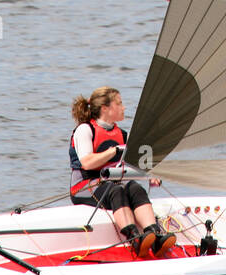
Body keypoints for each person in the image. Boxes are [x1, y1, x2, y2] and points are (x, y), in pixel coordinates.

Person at [69, 87, 176, 259]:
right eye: (119, 103)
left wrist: (150, 175)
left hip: (110, 184)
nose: (124, 107)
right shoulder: (85, 130)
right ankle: (134, 239)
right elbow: (87, 163)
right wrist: (113, 151)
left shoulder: (122, 134)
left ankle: (154, 235)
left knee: (135, 188)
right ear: (105, 108)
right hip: (83, 187)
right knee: (116, 190)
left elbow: (136, 164)